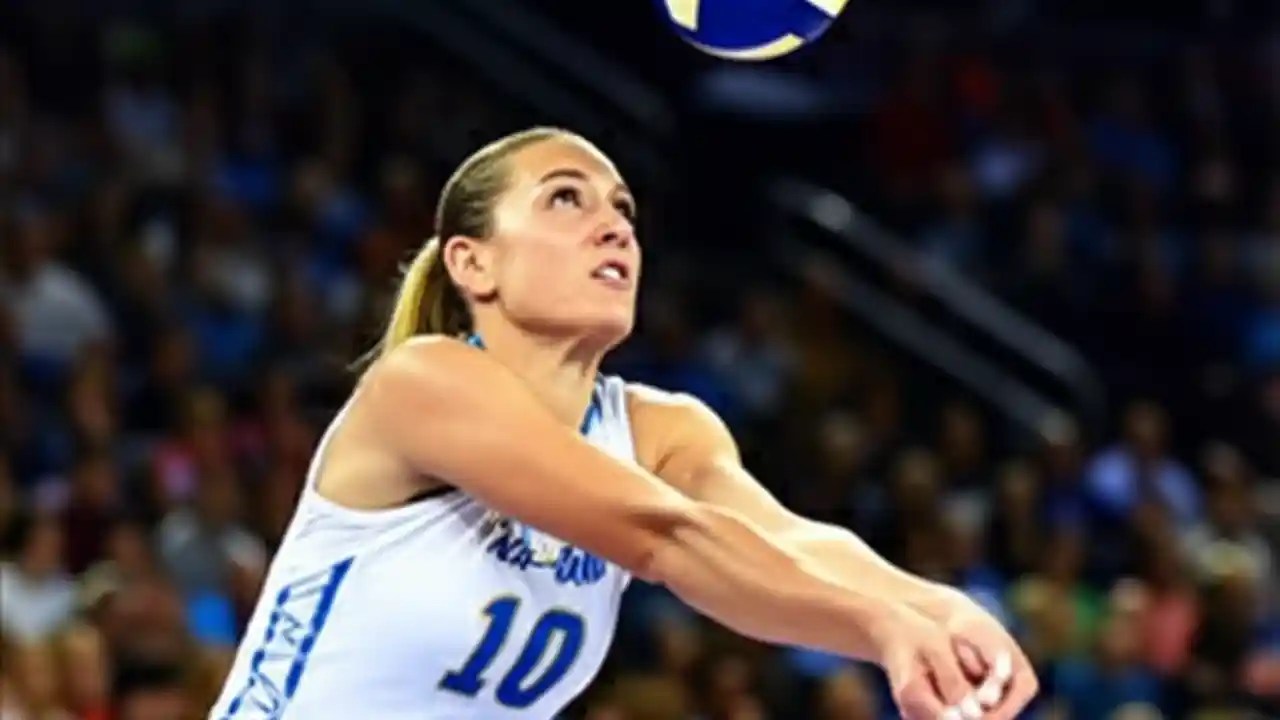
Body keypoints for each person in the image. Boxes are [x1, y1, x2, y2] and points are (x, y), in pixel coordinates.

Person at [208, 127, 1037, 720]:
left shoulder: (661, 428)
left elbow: (784, 538)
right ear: (473, 262)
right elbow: (663, 537)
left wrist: (933, 608)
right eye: (565, 199)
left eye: (623, 209)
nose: (614, 226)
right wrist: (877, 628)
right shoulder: (423, 383)